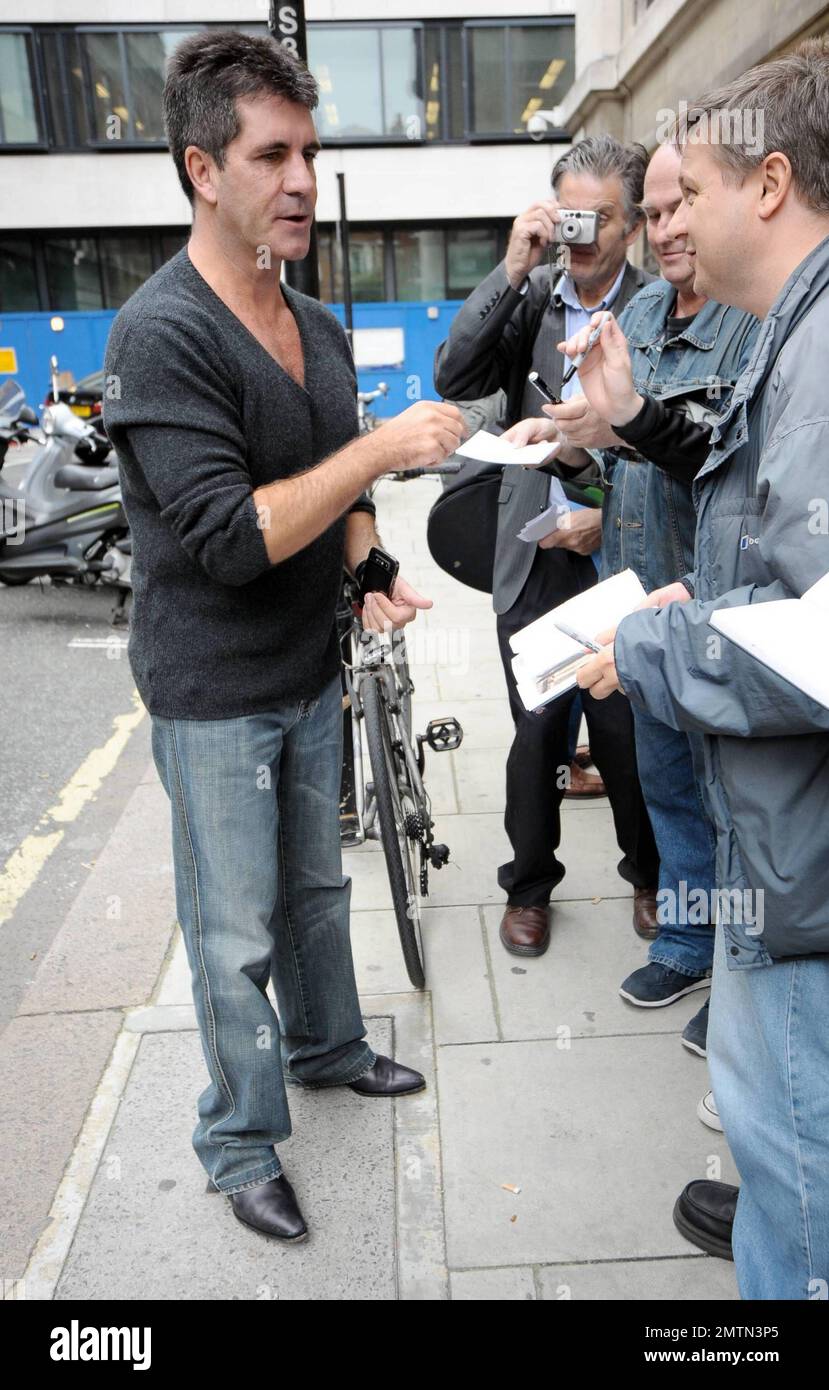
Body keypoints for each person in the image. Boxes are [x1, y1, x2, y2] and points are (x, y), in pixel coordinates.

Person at [102, 29, 466, 1243]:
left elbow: (333, 489)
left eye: (310, 150)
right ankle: (240, 1136)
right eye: (273, 154)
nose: (303, 178)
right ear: (203, 170)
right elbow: (229, 535)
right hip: (214, 693)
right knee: (233, 927)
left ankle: (329, 1046)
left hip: (312, 668)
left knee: (317, 888)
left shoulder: (309, 321)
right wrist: (373, 453)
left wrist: (372, 565)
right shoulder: (159, 334)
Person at [570, 40, 829, 1298]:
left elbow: (824, 641)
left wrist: (649, 641)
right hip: (783, 856)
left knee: (799, 1218)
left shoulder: (819, 348)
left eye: (692, 190)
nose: (669, 216)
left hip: (805, 876)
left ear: (768, 183)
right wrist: (711, 596)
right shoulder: (793, 332)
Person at [504, 143, 759, 1056]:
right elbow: (623, 449)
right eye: (652, 213)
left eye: (680, 203)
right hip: (635, 596)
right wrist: (574, 444)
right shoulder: (642, 305)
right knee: (664, 787)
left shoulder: (753, 316)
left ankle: (739, 974)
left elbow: (712, 451)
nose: (667, 228)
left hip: (713, 600)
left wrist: (622, 427)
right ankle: (690, 941)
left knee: (727, 796)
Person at [434, 136, 660, 958]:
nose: (581, 234)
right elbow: (454, 379)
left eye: (598, 217)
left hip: (619, 550)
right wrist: (509, 267)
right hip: (533, 554)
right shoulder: (528, 300)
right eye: (568, 214)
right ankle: (528, 887)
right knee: (536, 731)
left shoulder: (658, 305)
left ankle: (648, 877)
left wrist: (604, 508)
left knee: (622, 731)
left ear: (630, 224)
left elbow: (663, 437)